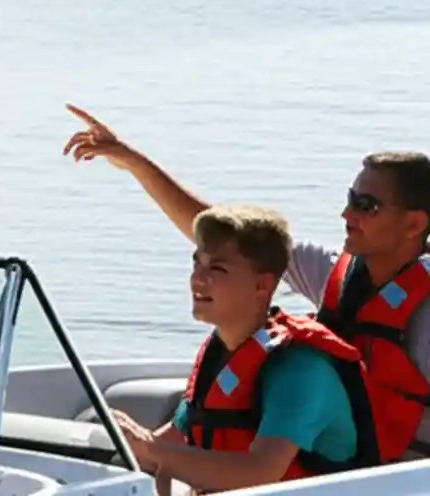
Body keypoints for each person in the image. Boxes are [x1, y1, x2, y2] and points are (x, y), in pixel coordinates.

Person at [63, 103, 430, 458]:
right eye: (351, 198)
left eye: (366, 205)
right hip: (324, 465)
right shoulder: (338, 272)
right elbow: (231, 242)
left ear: (414, 225)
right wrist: (133, 162)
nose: (346, 214)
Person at [110, 203, 381, 493]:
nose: (197, 279)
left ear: (262, 286)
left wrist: (150, 449)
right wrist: (125, 443)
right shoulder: (220, 353)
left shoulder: (301, 370)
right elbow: (172, 445)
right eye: (196, 264)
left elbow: (259, 473)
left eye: (217, 268)